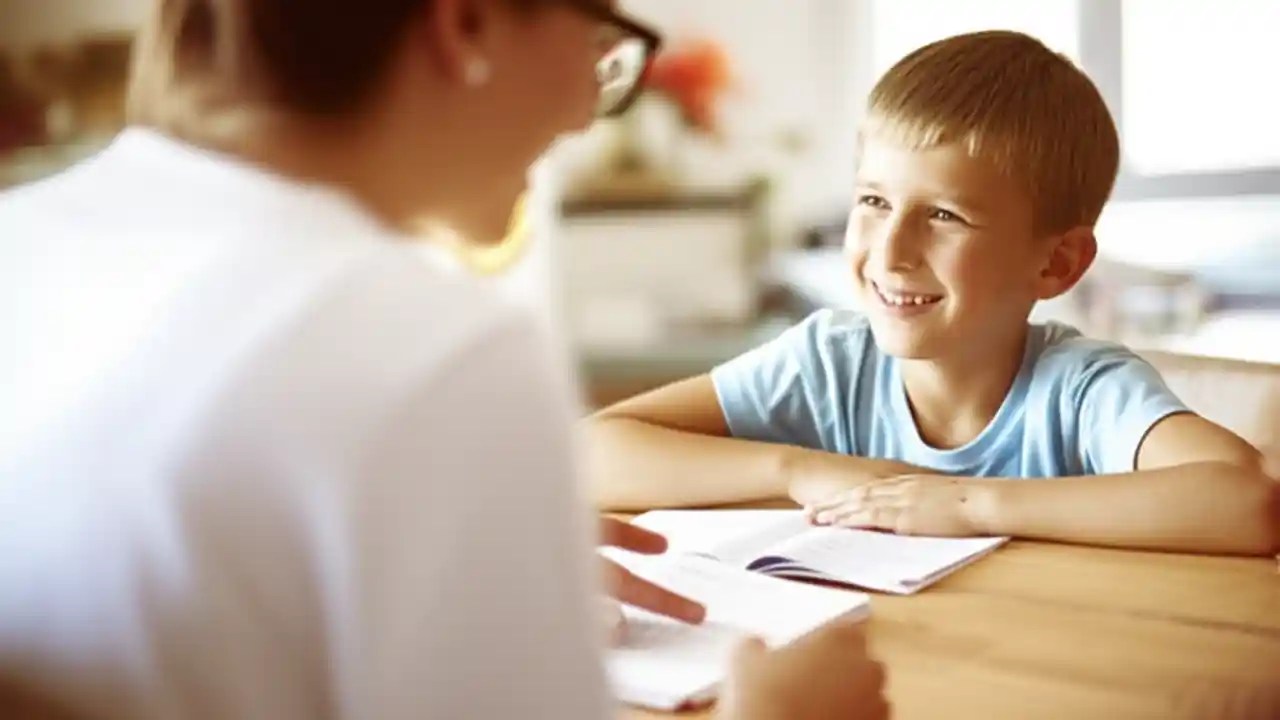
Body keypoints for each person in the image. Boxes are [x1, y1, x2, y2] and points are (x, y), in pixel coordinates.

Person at [0, 0, 887, 718]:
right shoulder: (436, 348)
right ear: (466, 25)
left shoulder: (25, 240)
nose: (588, 106)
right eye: (597, 36)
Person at [584, 30, 1280, 557]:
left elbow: (1247, 503)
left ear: (1057, 263)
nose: (890, 251)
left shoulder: (1080, 391)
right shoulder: (827, 363)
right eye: (873, 201)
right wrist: (800, 471)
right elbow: (590, 453)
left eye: (943, 216)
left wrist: (971, 505)